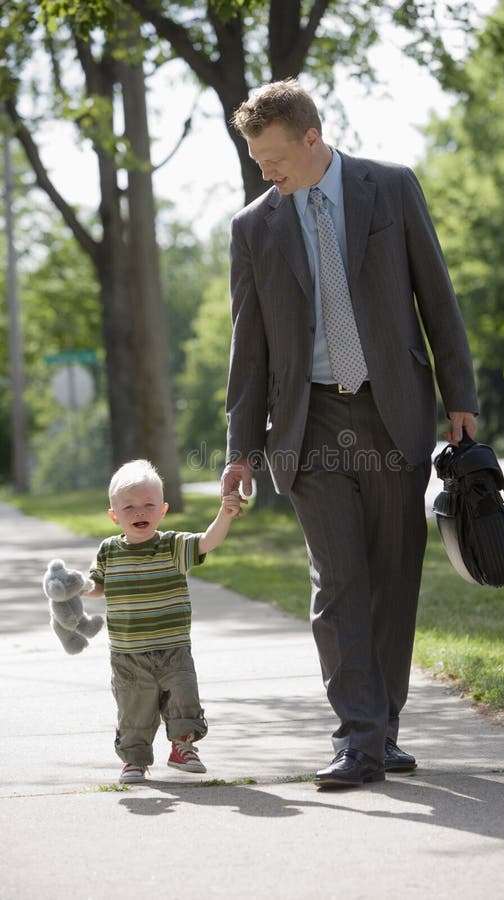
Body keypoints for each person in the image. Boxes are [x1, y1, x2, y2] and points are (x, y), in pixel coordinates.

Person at [221, 79, 478, 788]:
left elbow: (437, 293)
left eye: (273, 158)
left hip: (392, 408)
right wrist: (241, 449)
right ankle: (358, 738)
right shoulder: (254, 228)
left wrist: (462, 395)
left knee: (393, 577)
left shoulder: (389, 188)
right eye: (254, 160)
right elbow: (249, 350)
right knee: (338, 580)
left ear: (312, 137)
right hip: (309, 420)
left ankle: (382, 730)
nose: (264, 173)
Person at [84, 458, 242, 784]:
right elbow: (98, 586)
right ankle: (134, 760)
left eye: (148, 505)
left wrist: (224, 514)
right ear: (114, 515)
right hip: (129, 653)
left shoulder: (172, 546)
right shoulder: (109, 551)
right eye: (128, 507)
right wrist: (79, 588)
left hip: (173, 647)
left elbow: (207, 541)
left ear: (163, 510)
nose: (139, 512)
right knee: (134, 709)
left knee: (184, 696)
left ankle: (183, 748)